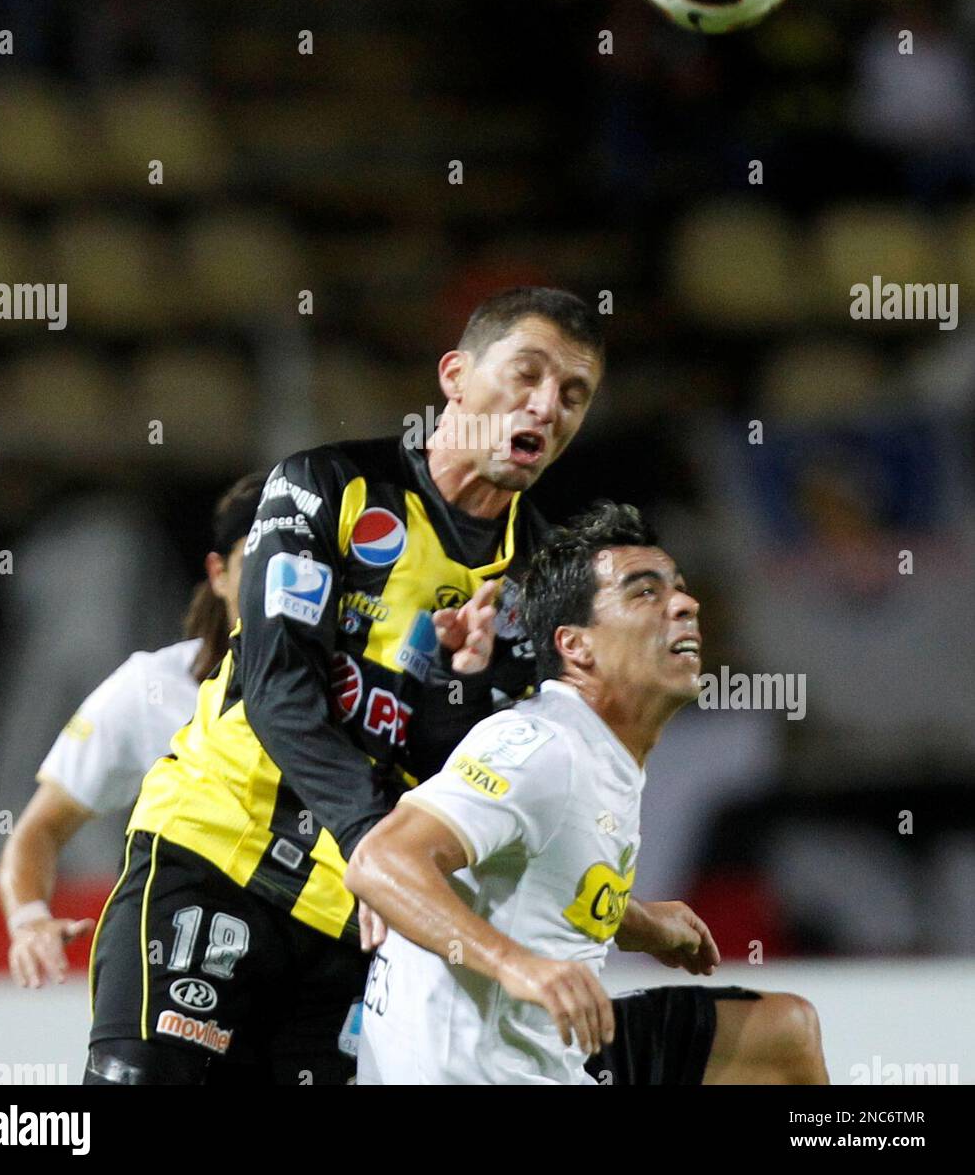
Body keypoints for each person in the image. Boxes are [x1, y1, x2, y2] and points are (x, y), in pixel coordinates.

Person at [85, 286, 824, 1085]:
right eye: (527, 376)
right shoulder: (327, 487)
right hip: (218, 857)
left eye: (573, 396)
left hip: (363, 924)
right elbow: (276, 689)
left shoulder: (542, 586)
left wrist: (461, 690)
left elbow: (483, 787)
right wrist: (373, 841)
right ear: (456, 377)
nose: (547, 407)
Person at [349, 503, 827, 1085]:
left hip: (552, 1052)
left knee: (782, 1034)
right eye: (645, 593)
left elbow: (532, 869)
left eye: (679, 589)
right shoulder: (541, 746)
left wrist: (634, 920)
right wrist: (518, 967)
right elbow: (381, 860)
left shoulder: (598, 747)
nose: (685, 604)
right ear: (576, 646)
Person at [0, 474, 264, 990]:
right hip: (179, 980)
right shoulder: (151, 688)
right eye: (256, 566)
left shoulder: (357, 693)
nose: (276, 591)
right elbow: (39, 828)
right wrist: (29, 921)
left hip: (318, 984)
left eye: (296, 568)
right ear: (219, 573)